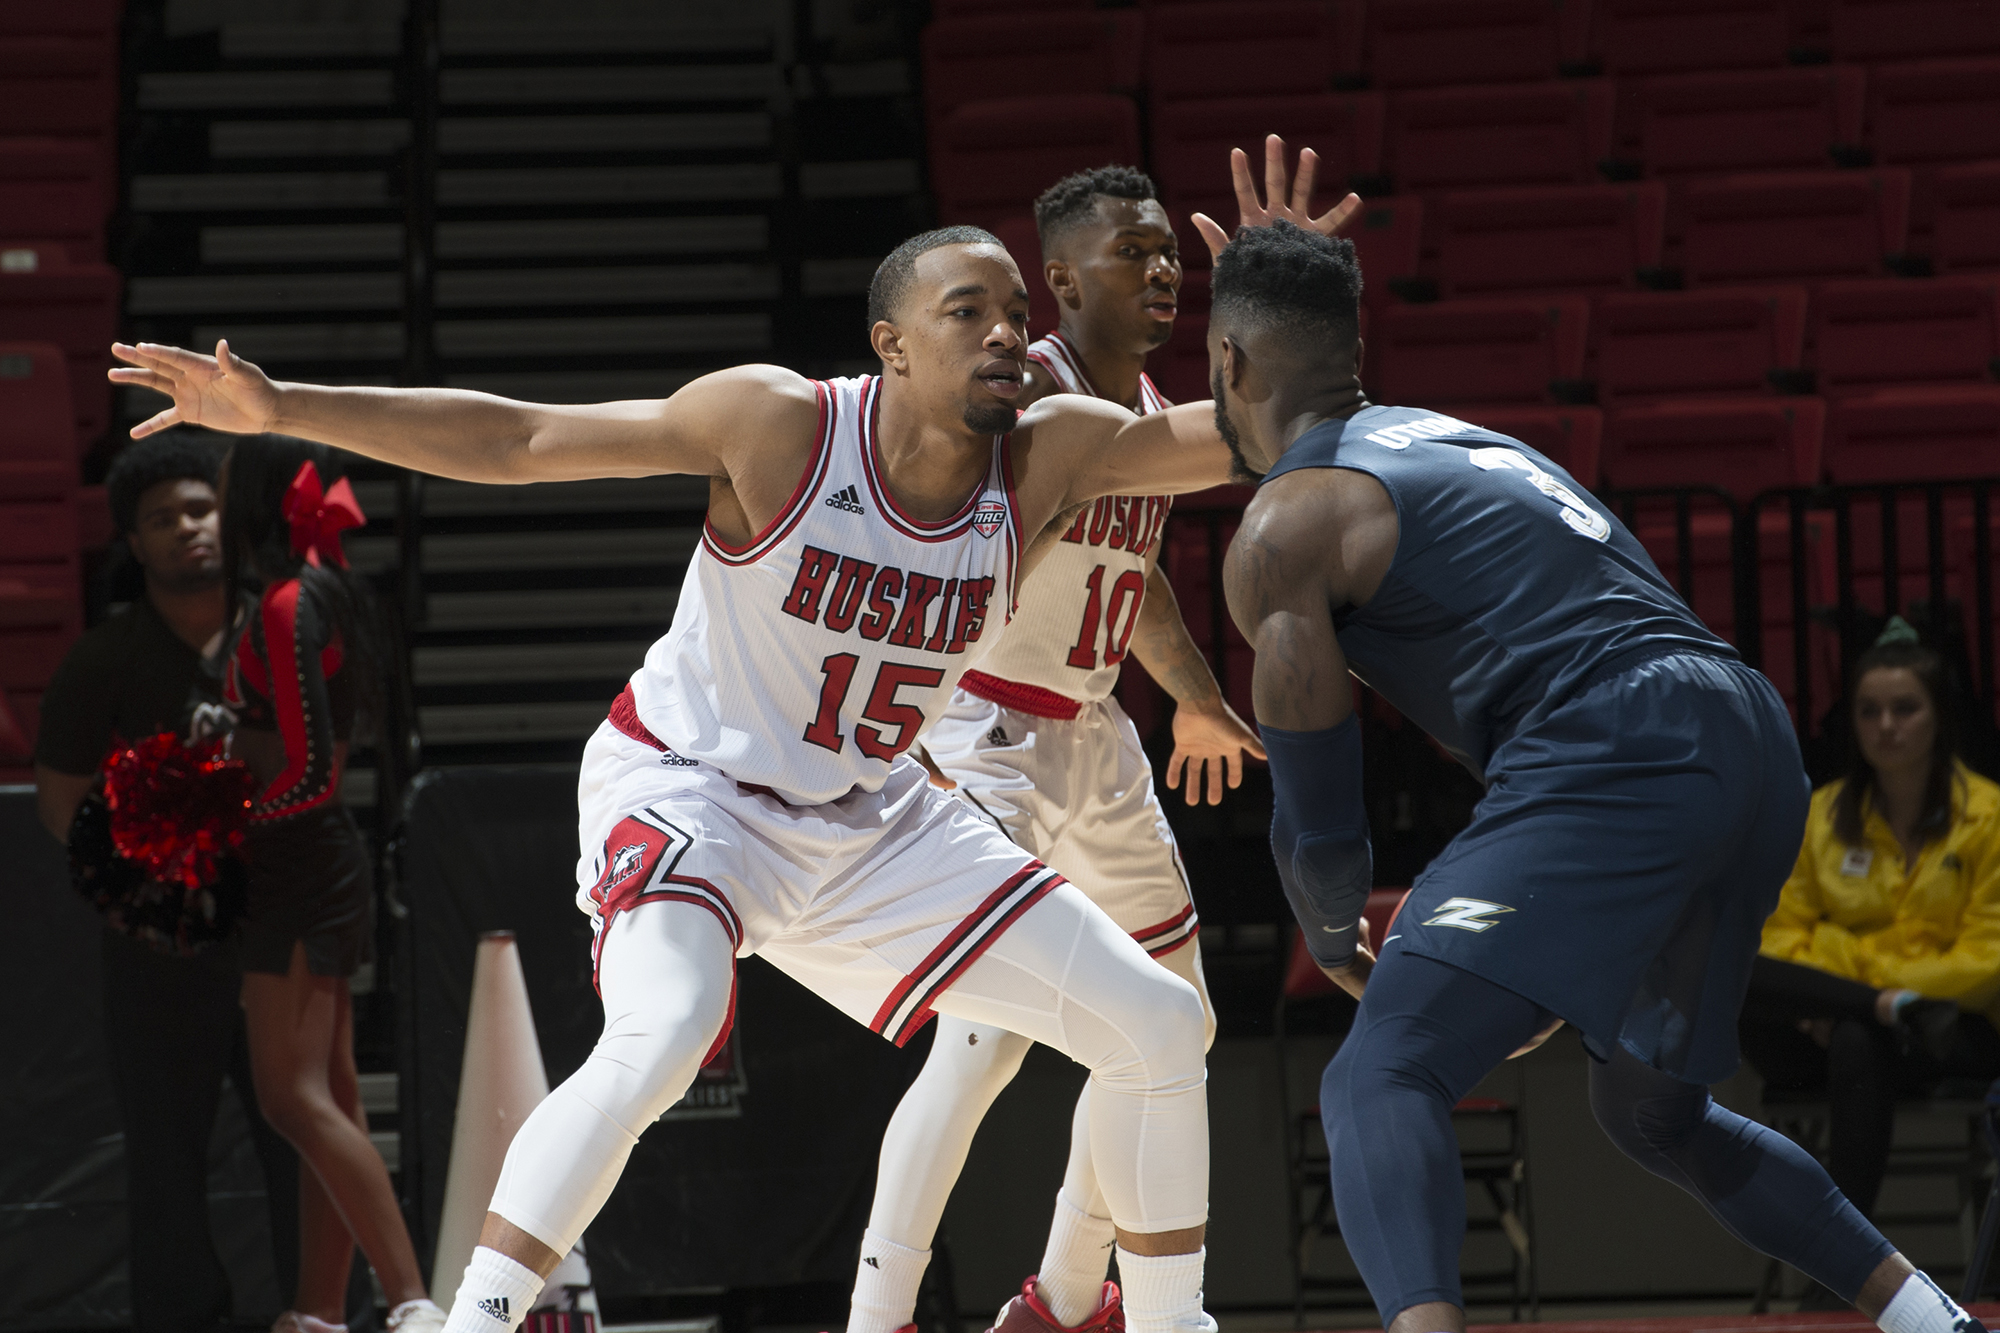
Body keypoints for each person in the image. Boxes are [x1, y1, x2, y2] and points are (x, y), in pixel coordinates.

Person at [108, 186, 1308, 1333]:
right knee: (665, 1030)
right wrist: (284, 410)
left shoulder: (1055, 452)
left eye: (1013, 314)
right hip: (696, 786)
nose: (1004, 334)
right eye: (967, 313)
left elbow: (1257, 432)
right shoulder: (781, 424)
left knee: (1155, 1025)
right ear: (889, 344)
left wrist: (1280, 290)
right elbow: (521, 438)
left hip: (873, 813)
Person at [1203, 138, 1985, 1333]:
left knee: (1380, 1066)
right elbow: (1297, 390)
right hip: (1743, 729)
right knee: (1652, 1112)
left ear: (1225, 361)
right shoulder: (1444, 439)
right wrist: (1288, 274)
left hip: (1615, 742)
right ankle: (1928, 1318)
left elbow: (1320, 811)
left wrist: (1333, 931)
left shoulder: (1281, 528)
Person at [847, 164, 1269, 1333]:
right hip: (980, 727)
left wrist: (1191, 697)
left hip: (1091, 729)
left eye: (1168, 255)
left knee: (1176, 1016)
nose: (1163, 270)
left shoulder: (1139, 412)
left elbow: (1126, 582)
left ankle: (1064, 1296)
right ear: (1065, 280)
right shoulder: (1015, 393)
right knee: (982, 1046)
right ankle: (874, 1315)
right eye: (1134, 253)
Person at [32, 435, 306, 1333]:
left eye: (199, 509)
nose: (186, 528)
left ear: (227, 522)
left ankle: (325, 1312)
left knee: (304, 1138)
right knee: (165, 1159)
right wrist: (146, 883)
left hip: (278, 939)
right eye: (162, 519)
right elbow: (63, 800)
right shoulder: (104, 659)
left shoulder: (287, 628)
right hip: (159, 951)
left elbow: (326, 766)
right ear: (135, 545)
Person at [216, 437, 445, 1333]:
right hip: (305, 860)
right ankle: (320, 1310)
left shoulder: (289, 600)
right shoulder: (313, 590)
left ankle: (412, 1301)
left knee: (290, 1097)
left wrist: (221, 830)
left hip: (297, 862)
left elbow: (314, 772)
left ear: (256, 498)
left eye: (228, 481)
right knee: (334, 1094)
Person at [1743, 622, 2000, 1233]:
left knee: (1861, 1035)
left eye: (1904, 709)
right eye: (1869, 711)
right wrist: (1869, 1000)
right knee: (1742, 973)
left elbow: (1987, 957)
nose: (1886, 726)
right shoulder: (1821, 814)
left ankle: (1840, 1258)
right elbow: (1779, 939)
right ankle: (1880, 1008)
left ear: (1939, 716)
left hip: (1956, 1029)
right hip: (1825, 1031)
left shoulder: (1989, 815)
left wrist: (1850, 977)